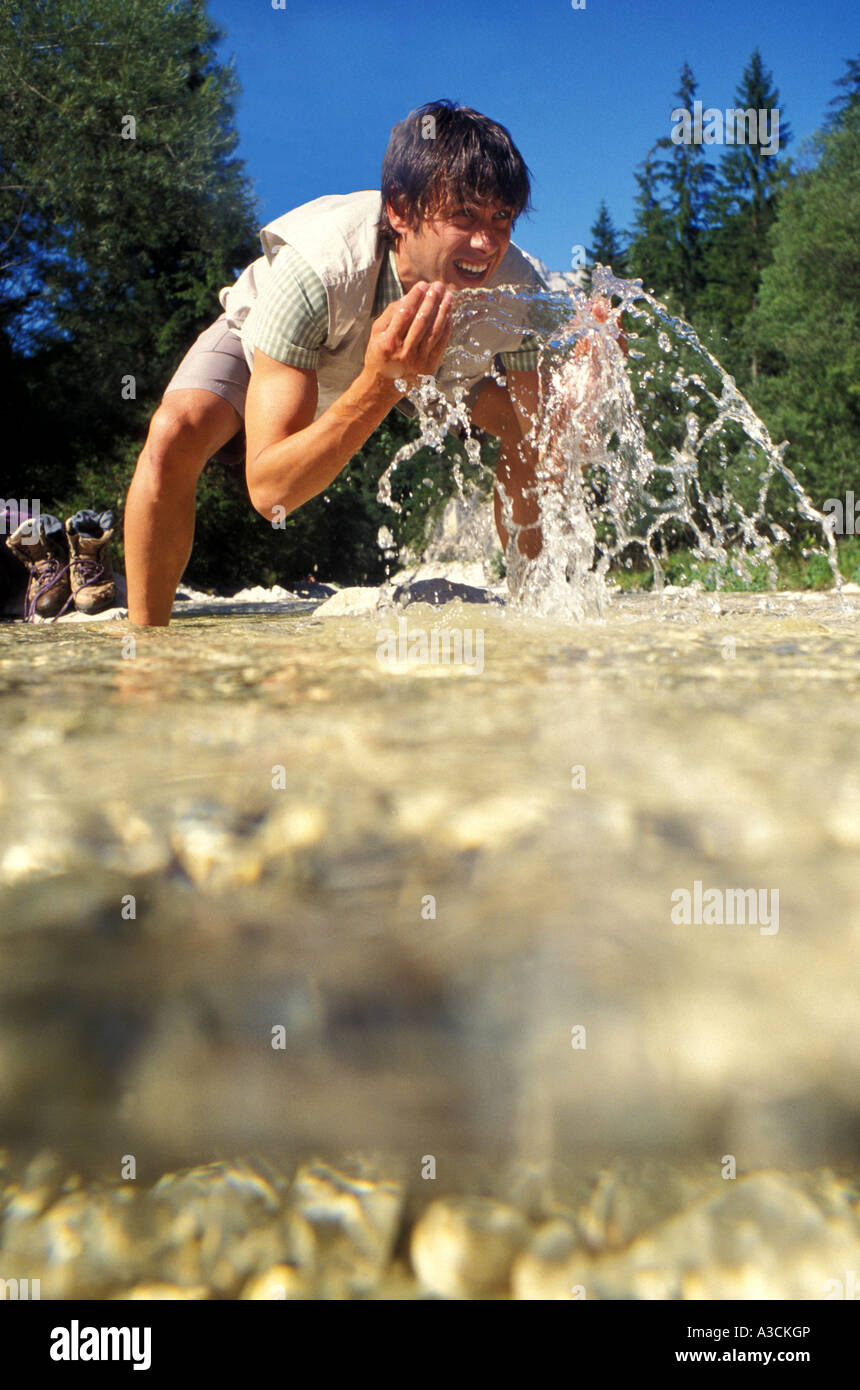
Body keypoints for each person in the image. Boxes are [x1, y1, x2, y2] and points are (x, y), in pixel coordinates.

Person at [124, 100, 619, 626]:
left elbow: (554, 447)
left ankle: (538, 612)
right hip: (297, 345)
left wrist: (588, 385)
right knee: (175, 431)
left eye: (502, 218)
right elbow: (270, 495)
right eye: (464, 215)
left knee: (526, 428)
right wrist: (382, 386)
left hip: (435, 366)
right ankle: (146, 642)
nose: (487, 242)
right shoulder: (316, 269)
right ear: (400, 209)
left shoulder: (518, 292)